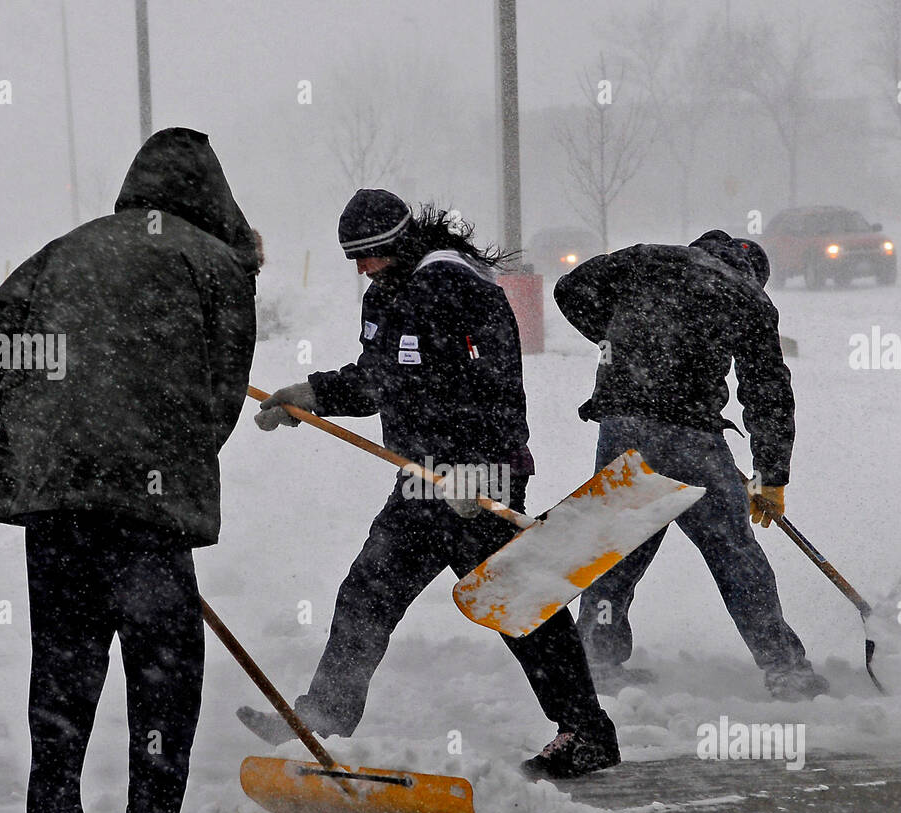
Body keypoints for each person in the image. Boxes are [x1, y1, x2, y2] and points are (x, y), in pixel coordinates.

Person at [0, 128, 259, 813]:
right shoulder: (213, 260)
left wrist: (46, 434)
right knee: (163, 683)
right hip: (148, 505)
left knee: (62, 680)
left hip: (55, 501)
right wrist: (162, 450)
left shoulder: (61, 252)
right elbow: (222, 395)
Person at [250, 188, 619, 778]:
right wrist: (312, 394)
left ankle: (586, 731)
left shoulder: (457, 286)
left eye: (368, 255)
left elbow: (502, 385)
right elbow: (377, 378)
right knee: (367, 593)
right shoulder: (384, 296)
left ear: (397, 243)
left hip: (481, 480)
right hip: (421, 481)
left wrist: (478, 471)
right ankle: (322, 721)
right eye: (353, 259)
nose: (361, 268)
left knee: (519, 606)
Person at [554, 230, 830, 702]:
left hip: (623, 425)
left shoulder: (645, 257)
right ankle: (785, 669)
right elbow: (766, 393)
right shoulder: (749, 298)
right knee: (735, 556)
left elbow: (569, 290)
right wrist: (771, 476)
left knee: (617, 546)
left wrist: (617, 336)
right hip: (690, 435)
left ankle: (596, 661)